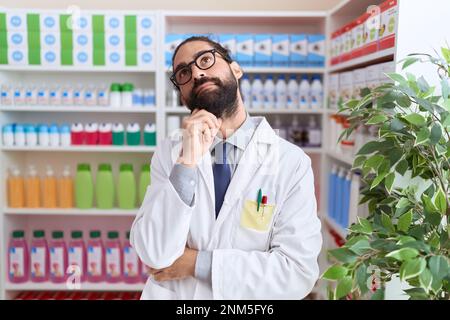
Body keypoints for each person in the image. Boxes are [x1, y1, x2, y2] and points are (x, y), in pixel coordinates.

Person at [130, 36, 322, 299]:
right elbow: (154, 253)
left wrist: (195, 263)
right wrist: (187, 161)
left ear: (236, 69)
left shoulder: (291, 162)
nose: (197, 72)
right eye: (184, 72)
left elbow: (296, 273)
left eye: (206, 60)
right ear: (182, 95)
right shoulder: (170, 152)